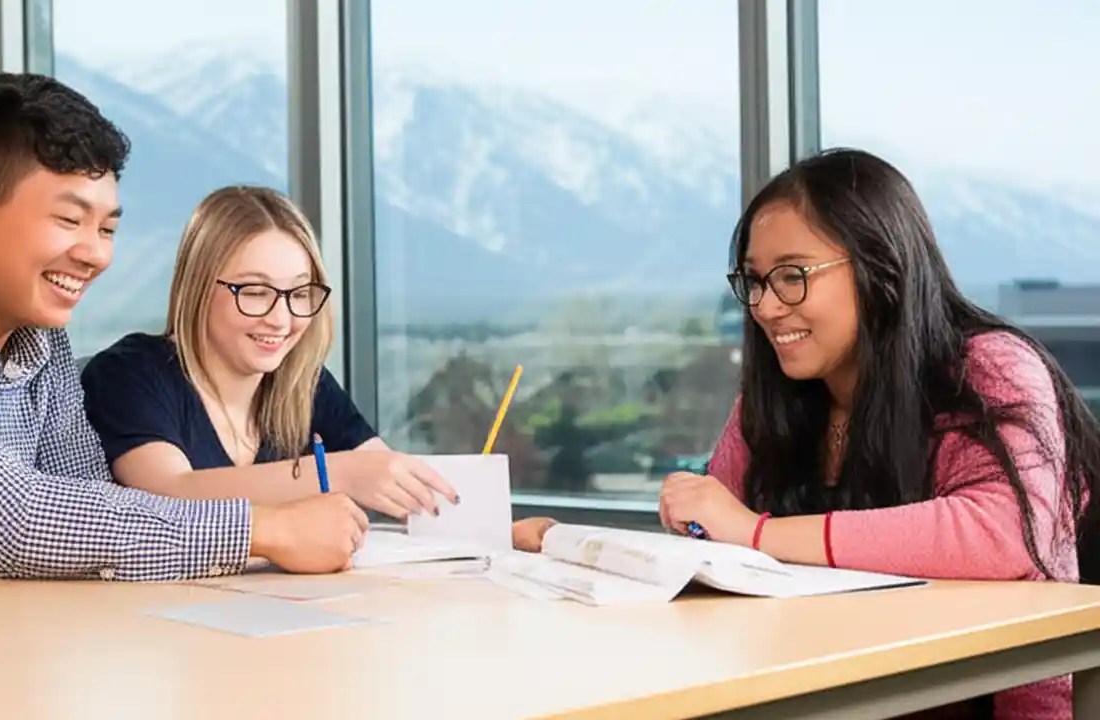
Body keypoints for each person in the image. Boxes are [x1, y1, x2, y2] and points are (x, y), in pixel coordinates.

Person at [0, 73, 368, 579]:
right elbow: (13, 518)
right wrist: (264, 529)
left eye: (106, 228)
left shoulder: (40, 339)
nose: (95, 254)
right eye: (68, 219)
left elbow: (87, 502)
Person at [658, 148, 1100, 719]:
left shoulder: (991, 367)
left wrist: (758, 534)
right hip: (810, 696)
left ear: (881, 266)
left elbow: (1002, 532)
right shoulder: (774, 398)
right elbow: (715, 542)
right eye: (754, 281)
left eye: (792, 276)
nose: (765, 306)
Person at [80, 185, 556, 551]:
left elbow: (393, 481)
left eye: (300, 293)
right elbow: (168, 497)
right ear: (199, 288)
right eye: (255, 291)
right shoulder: (131, 374)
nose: (282, 319)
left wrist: (497, 537)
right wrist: (337, 475)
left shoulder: (302, 382)